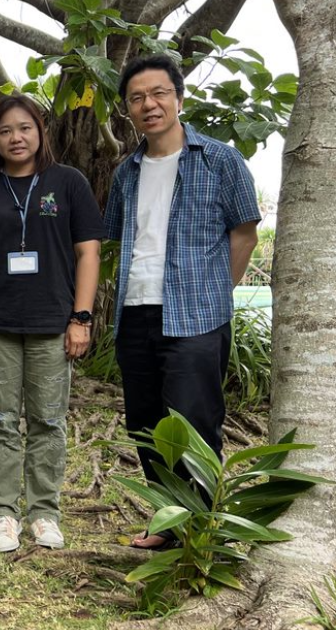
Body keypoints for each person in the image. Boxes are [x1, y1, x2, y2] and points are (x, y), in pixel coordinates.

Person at [106, 54, 260, 550]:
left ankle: (204, 526)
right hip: (135, 312)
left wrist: (217, 293)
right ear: (127, 108)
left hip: (196, 316)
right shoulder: (125, 172)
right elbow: (118, 239)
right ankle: (167, 520)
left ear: (178, 97)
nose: (149, 104)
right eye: (137, 98)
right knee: (147, 424)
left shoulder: (220, 159)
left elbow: (244, 234)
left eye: (158, 94)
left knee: (195, 423)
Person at [0, 95, 104, 553]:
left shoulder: (68, 183)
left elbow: (88, 253)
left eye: (25, 128)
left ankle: (45, 511)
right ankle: (4, 513)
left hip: (54, 323)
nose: (16, 137)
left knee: (49, 420)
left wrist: (81, 318)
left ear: (41, 132)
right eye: (6, 130)